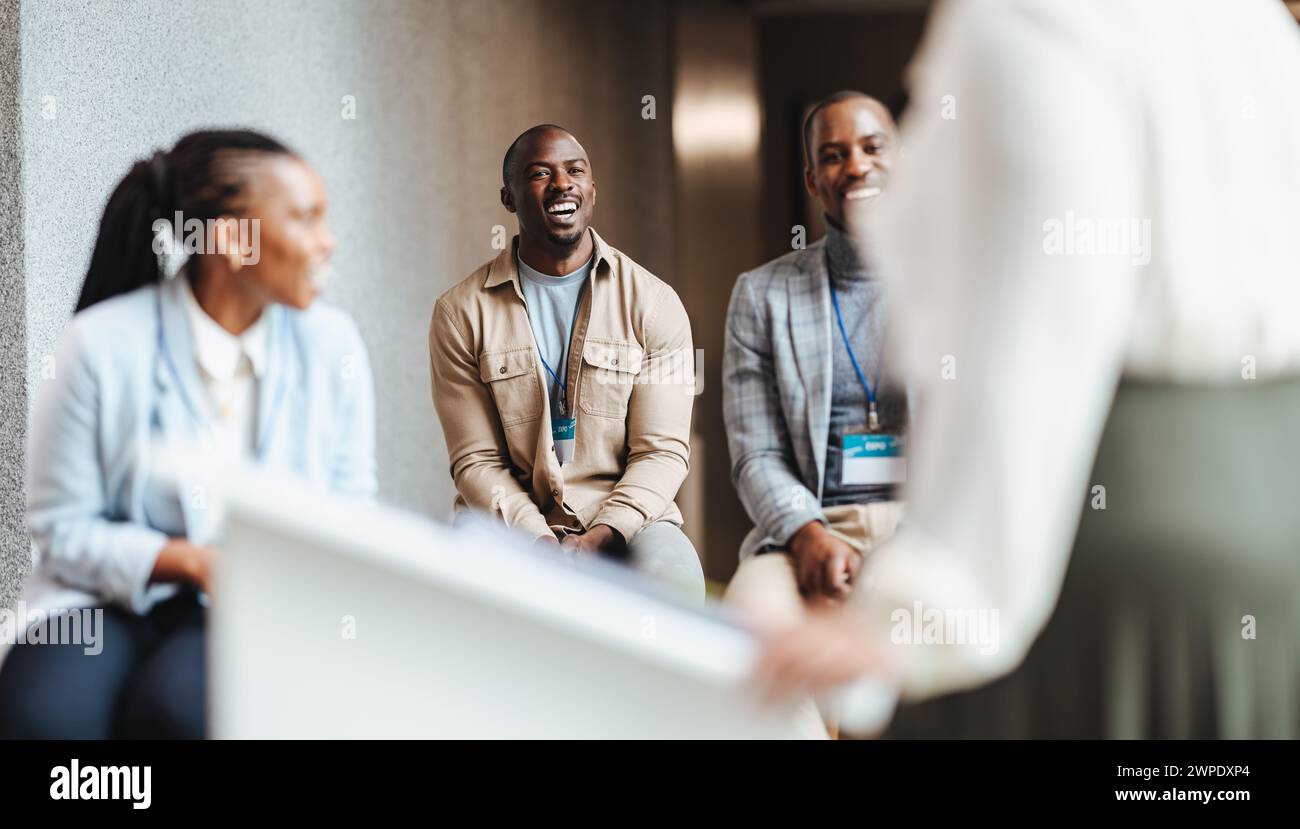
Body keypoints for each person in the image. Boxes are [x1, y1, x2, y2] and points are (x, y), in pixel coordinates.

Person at [753, 0, 1300, 739]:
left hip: (1095, 544)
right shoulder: (1253, 21)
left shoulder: (1028, 17)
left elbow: (1047, 312)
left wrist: (917, 615)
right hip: (1266, 528)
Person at [0, 129, 375, 738]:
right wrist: (191, 562)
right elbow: (63, 532)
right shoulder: (99, 344)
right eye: (306, 220)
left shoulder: (334, 348)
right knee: (41, 717)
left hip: (251, 608)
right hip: (101, 600)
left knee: (180, 711)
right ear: (230, 239)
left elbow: (350, 508)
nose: (327, 243)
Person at [429, 125, 703, 602]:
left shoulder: (656, 303)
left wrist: (602, 535)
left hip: (630, 519)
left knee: (674, 580)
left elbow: (663, 452)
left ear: (592, 190)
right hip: (510, 522)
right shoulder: (460, 312)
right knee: (459, 596)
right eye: (540, 174)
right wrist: (538, 539)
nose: (562, 184)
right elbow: (476, 460)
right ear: (508, 198)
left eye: (575, 171)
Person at [723, 92, 906, 627]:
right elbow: (755, 454)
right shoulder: (762, 295)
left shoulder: (956, 285)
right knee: (750, 627)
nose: (856, 165)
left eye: (873, 147)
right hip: (810, 523)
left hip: (926, 529)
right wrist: (809, 537)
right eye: (833, 155)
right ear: (812, 181)